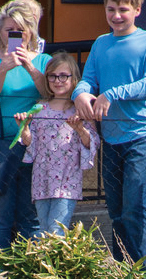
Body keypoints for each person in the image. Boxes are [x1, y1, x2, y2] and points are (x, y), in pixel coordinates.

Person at [73, 0, 146, 263]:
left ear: (137, 10)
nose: (116, 15)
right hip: (111, 138)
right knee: (115, 209)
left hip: (142, 134)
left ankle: (138, 272)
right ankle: (121, 270)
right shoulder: (101, 43)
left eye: (123, 10)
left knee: (133, 206)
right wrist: (80, 93)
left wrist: (112, 93)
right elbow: (89, 79)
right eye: (111, 9)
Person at [0, 1, 50, 254]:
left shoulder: (44, 61)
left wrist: (29, 66)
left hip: (34, 147)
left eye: (20, 29)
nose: (14, 35)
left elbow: (50, 95)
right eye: (8, 30)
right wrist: (4, 67)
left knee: (31, 219)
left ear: (30, 31)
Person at [14, 52, 99, 236]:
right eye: (52, 76)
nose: (57, 80)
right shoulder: (39, 108)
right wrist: (25, 130)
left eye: (63, 76)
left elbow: (92, 143)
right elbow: (31, 145)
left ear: (73, 78)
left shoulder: (80, 110)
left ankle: (54, 265)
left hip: (66, 183)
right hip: (41, 182)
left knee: (55, 233)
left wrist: (80, 129)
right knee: (44, 231)